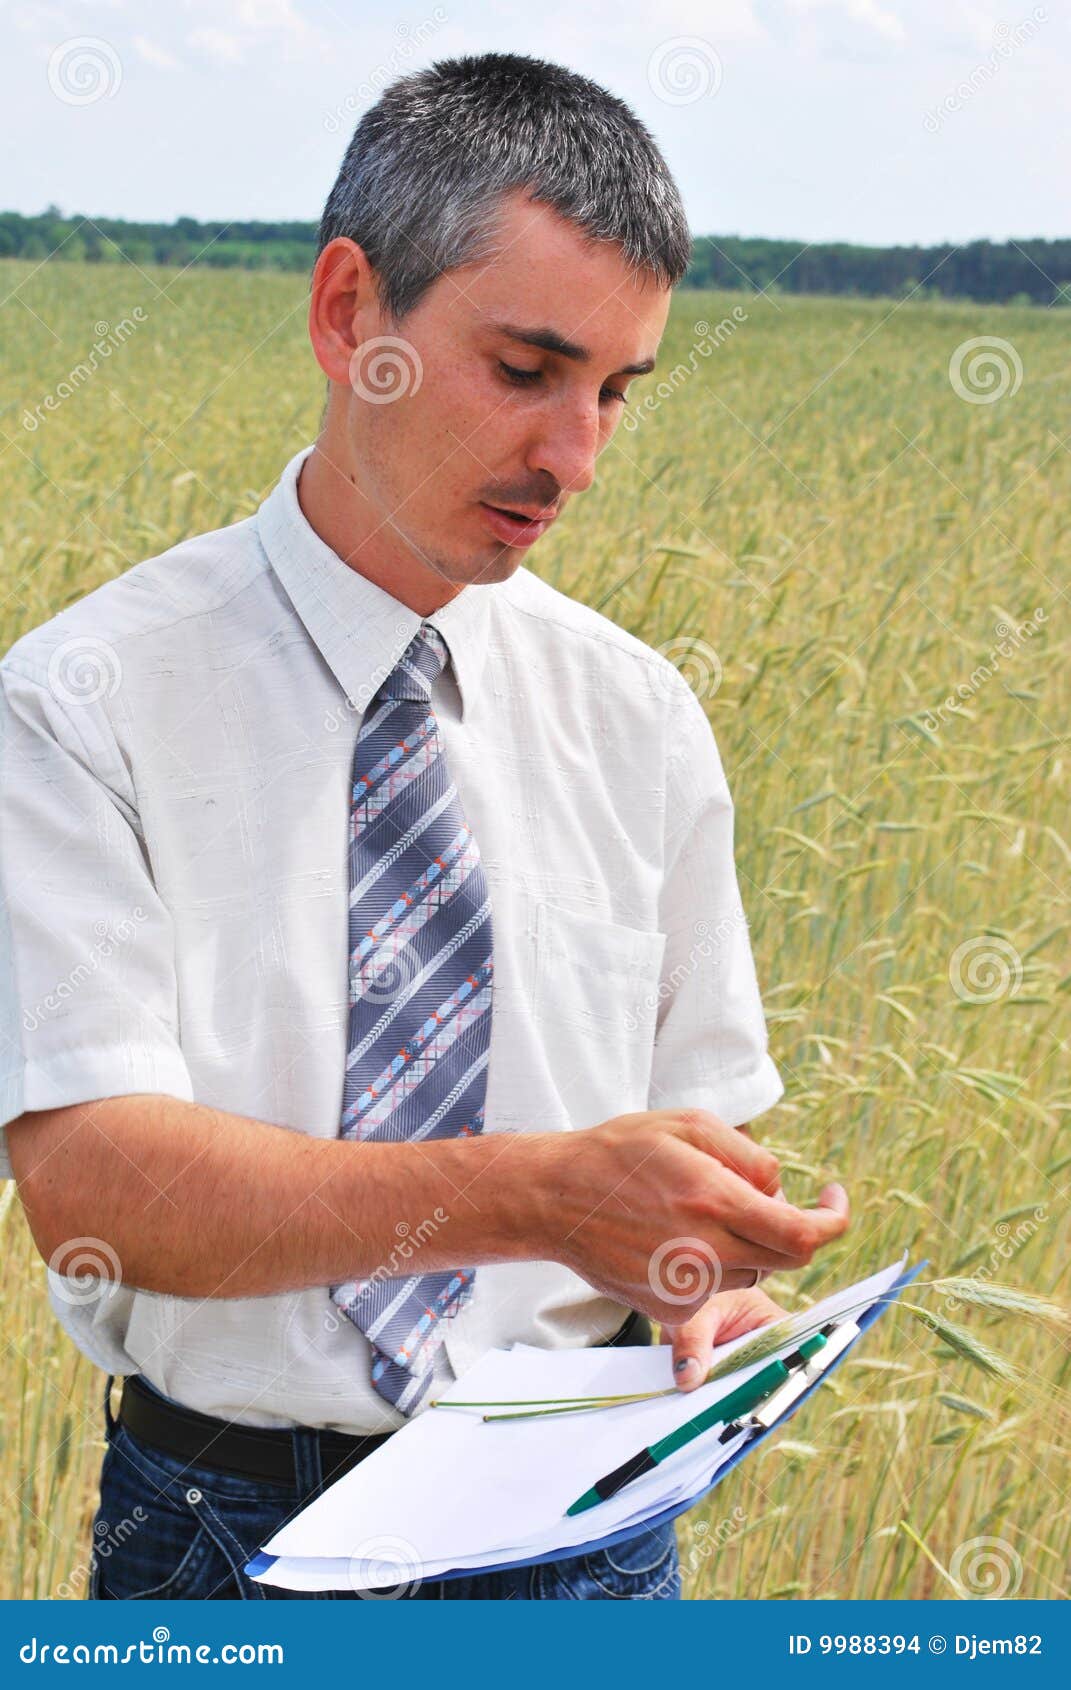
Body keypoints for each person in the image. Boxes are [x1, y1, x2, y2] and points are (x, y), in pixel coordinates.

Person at [0, 51, 849, 1601]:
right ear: (348, 316)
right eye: (525, 371)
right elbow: (99, 1191)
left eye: (613, 391)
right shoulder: (84, 700)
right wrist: (533, 1192)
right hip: (232, 1536)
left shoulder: (640, 716)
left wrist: (707, 1278)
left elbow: (691, 1154)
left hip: (593, 1532)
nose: (574, 459)